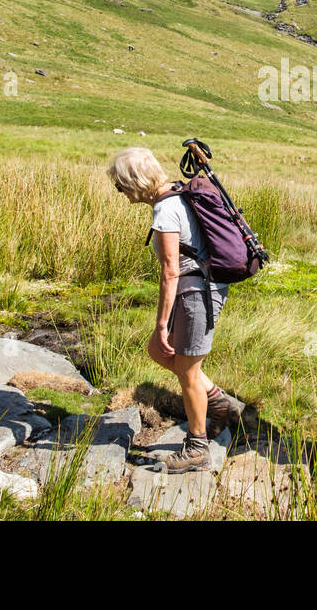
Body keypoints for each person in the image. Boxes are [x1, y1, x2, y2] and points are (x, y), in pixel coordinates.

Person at [107, 147, 244, 473]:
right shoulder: (174, 196)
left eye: (120, 185)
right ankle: (220, 402)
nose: (120, 192)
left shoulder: (165, 210)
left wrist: (161, 324)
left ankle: (197, 447)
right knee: (160, 354)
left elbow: (171, 272)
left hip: (198, 296)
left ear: (134, 182)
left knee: (188, 373)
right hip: (198, 292)